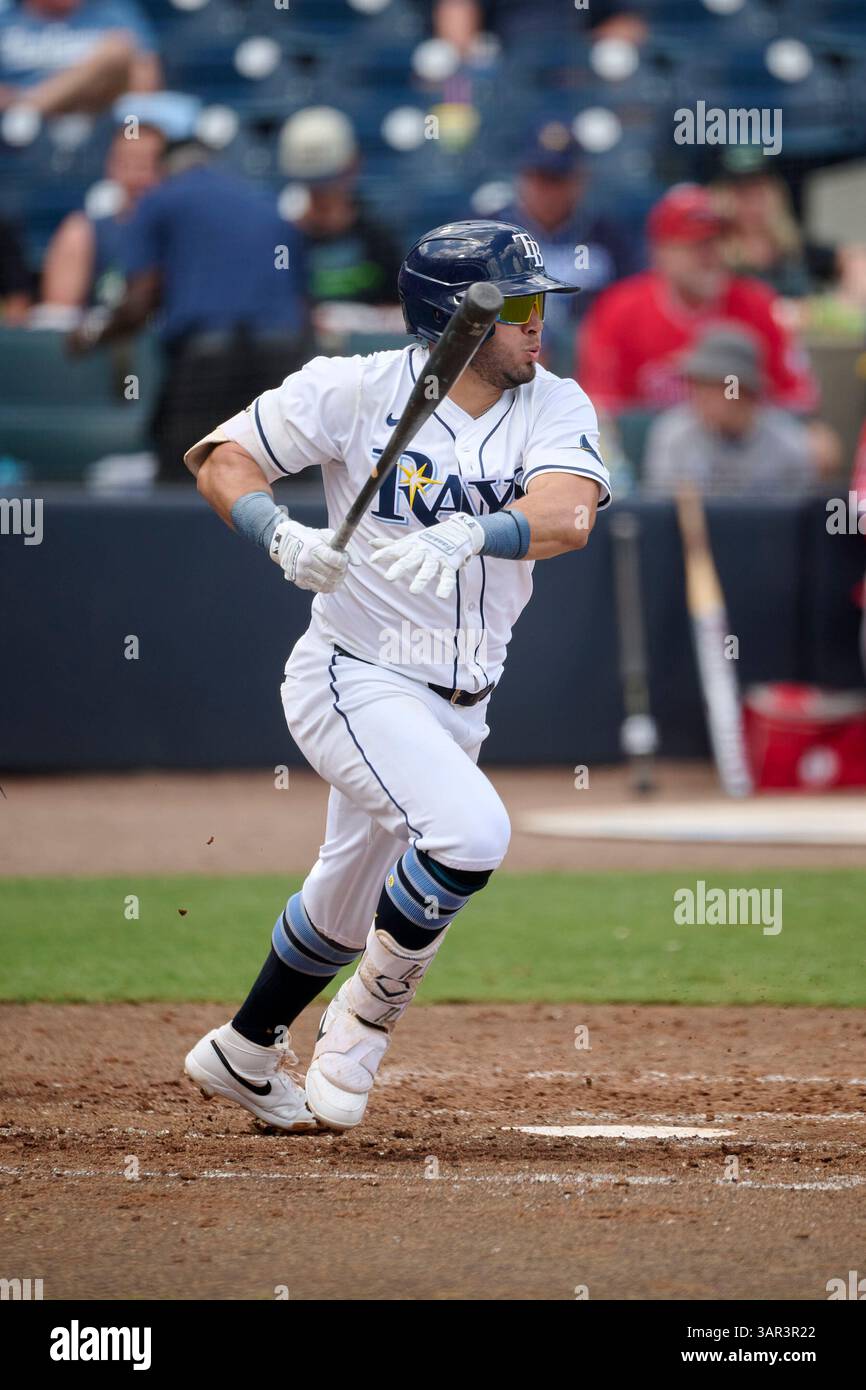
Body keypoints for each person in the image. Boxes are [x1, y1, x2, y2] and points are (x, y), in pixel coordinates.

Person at [181, 220, 611, 1133]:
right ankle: (360, 1028)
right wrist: (276, 532)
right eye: (517, 307)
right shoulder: (354, 389)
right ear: (456, 319)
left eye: (540, 304)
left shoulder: (556, 403)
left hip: (463, 699)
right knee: (469, 833)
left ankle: (247, 1048)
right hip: (354, 673)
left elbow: (569, 516)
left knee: (341, 903)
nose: (539, 324)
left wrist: (473, 530)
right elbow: (224, 459)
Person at [68, 136, 308, 481]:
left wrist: (91, 335)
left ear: (166, 169)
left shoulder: (159, 200)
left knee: (190, 482)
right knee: (281, 480)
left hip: (208, 361)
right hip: (283, 360)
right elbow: (301, 303)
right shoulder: (266, 203)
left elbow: (138, 302)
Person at [578, 184, 819, 416]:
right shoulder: (620, 308)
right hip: (648, 453)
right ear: (661, 252)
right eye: (697, 246)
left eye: (717, 242)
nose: (710, 256)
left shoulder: (757, 304)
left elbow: (798, 399)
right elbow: (600, 408)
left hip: (743, 449)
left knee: (819, 447)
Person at [497, 119, 638, 371]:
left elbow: (632, 307)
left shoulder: (608, 235)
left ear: (579, 180)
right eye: (541, 178)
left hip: (593, 366)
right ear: (522, 178)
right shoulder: (492, 233)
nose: (550, 192)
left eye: (559, 180)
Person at [643, 327, 838, 498]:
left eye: (715, 385)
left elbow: (799, 520)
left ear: (744, 391)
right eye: (698, 383)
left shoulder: (788, 443)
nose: (701, 396)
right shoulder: (674, 436)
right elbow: (662, 514)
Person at [279, 106, 401, 309]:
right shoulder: (284, 242)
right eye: (314, 184)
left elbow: (401, 312)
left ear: (354, 166)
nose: (322, 195)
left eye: (328, 181)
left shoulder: (380, 238)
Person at [41, 116, 165, 310]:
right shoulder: (83, 233)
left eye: (147, 164)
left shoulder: (184, 234)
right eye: (126, 163)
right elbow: (58, 318)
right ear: (111, 166)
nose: (136, 175)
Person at [0, 0, 160, 117]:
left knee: (117, 48)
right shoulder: (6, 19)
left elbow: (145, 81)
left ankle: (29, 107)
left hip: (94, 116)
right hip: (11, 121)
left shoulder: (111, 12)